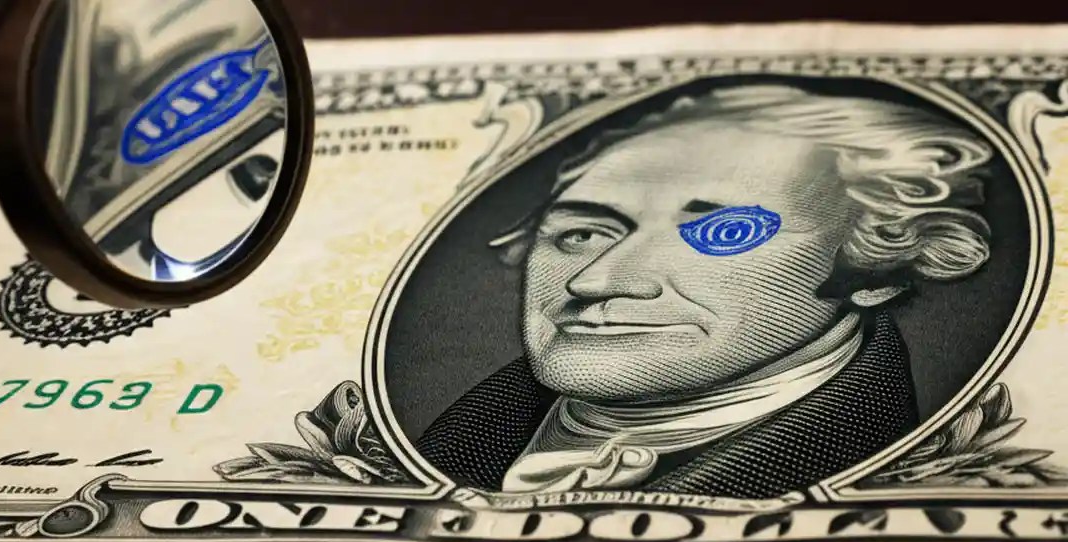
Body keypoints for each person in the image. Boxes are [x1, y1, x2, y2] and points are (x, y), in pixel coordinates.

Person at [415, 84, 996, 499]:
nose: (595, 279)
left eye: (721, 234)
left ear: (877, 270)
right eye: (582, 232)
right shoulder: (462, 437)